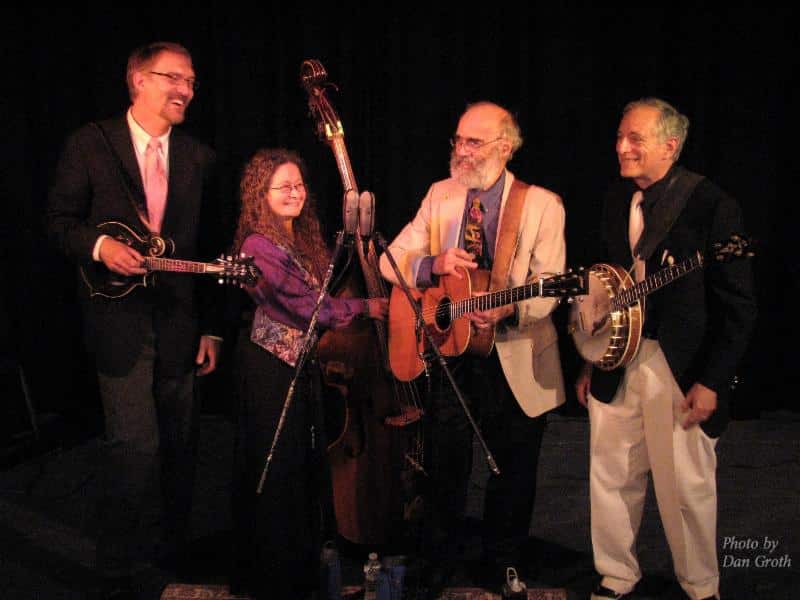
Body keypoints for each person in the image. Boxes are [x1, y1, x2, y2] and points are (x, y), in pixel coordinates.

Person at [46, 42, 225, 596]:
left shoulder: (200, 158)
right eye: (174, 77)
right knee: (135, 449)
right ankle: (124, 569)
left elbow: (215, 251)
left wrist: (213, 327)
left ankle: (172, 557)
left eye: (192, 81)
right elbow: (59, 221)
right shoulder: (90, 144)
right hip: (117, 325)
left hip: (179, 324)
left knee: (180, 445)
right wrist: (99, 246)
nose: (186, 90)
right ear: (137, 81)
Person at [378, 101, 567, 594]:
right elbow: (388, 261)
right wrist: (432, 264)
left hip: (516, 350)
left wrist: (509, 308)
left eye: (473, 142)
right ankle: (437, 561)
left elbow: (549, 285)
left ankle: (504, 561)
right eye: (457, 140)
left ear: (505, 147)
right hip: (451, 352)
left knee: (514, 465)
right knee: (445, 463)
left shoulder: (542, 204)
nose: (461, 150)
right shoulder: (440, 195)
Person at [575, 98, 757, 600]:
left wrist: (713, 380)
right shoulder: (616, 198)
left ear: (670, 147)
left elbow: (738, 307)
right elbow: (603, 283)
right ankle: (615, 574)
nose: (622, 147)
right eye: (619, 137)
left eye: (636, 139)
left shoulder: (712, 205)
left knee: (685, 484)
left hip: (679, 365)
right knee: (610, 472)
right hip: (618, 357)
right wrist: (593, 357)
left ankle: (701, 585)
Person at [228, 148, 388, 600]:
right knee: (276, 471)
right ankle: (275, 577)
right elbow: (304, 308)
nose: (295, 193)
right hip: (269, 369)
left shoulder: (300, 237)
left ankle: (300, 568)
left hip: (298, 366)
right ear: (262, 193)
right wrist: (364, 306)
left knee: (298, 468)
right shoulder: (257, 245)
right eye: (283, 186)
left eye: (299, 185)